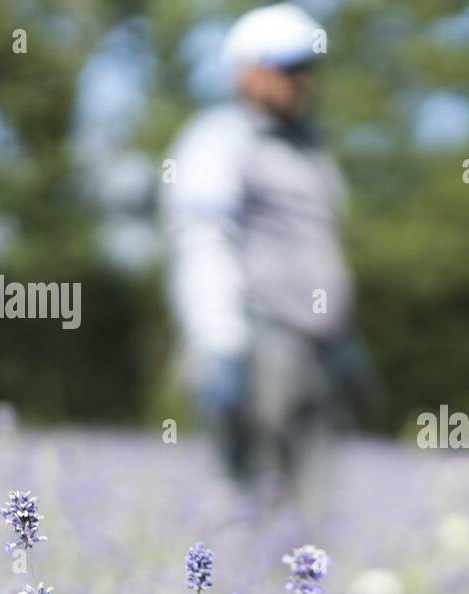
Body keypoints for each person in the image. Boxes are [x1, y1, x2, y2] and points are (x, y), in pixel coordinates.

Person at [162, 2, 373, 487]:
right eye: (288, 68)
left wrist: (343, 337)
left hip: (319, 348)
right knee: (258, 494)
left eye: (308, 69)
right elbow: (203, 240)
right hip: (258, 342)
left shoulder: (311, 149)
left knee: (314, 503)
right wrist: (218, 339)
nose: (303, 82)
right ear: (247, 71)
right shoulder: (218, 140)